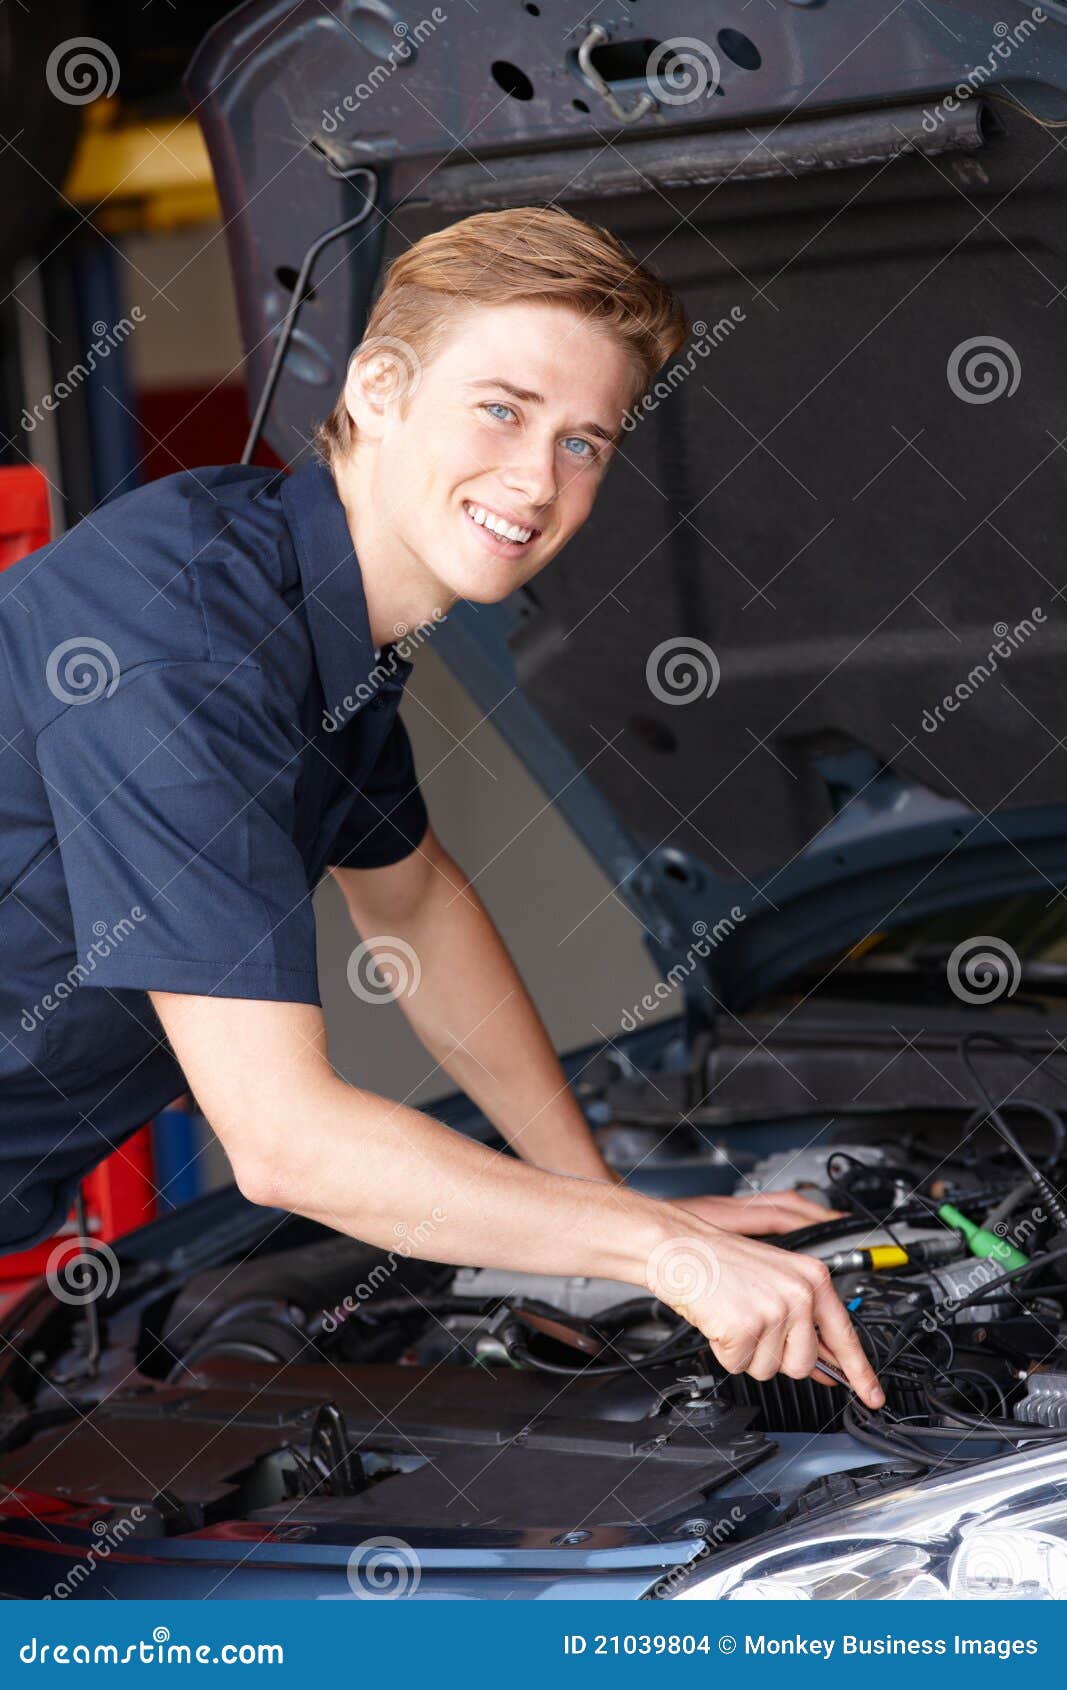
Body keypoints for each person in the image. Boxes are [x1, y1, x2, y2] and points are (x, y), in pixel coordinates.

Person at [0, 206, 882, 1406]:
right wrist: (662, 1251)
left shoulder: (312, 608)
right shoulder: (187, 637)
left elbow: (411, 905)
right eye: (502, 407)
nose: (536, 479)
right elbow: (282, 1140)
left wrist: (597, 1205)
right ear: (374, 386)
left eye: (585, 441)